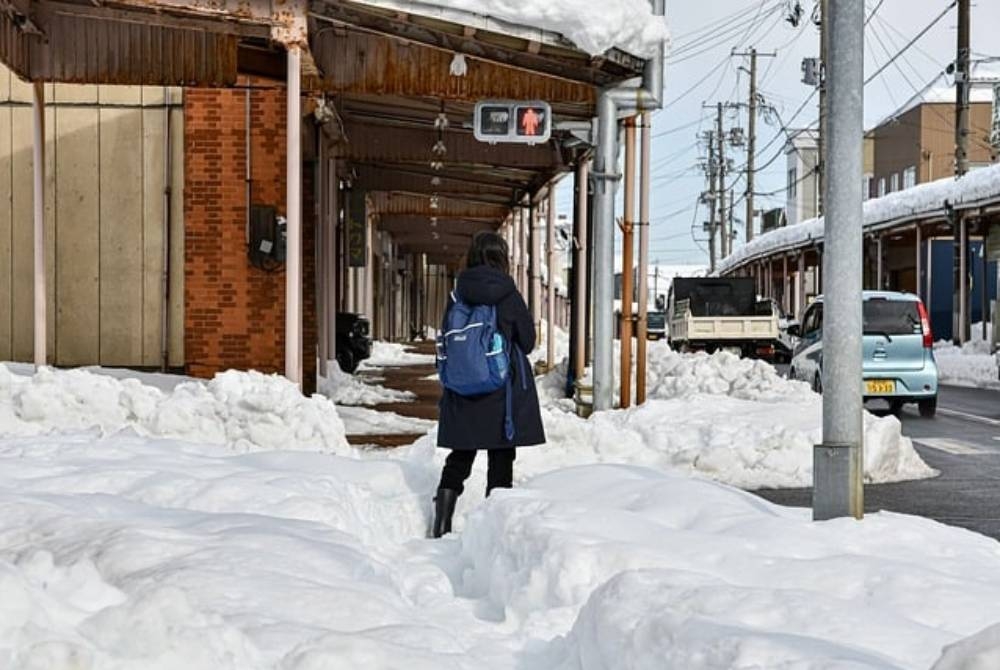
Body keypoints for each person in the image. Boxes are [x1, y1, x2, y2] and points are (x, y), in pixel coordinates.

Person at [432, 232, 545, 537]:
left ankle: (440, 524)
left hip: (461, 390)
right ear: (502, 258)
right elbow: (529, 341)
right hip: (500, 390)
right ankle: (492, 533)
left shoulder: (458, 294)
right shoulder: (508, 295)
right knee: (501, 457)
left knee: (460, 455)